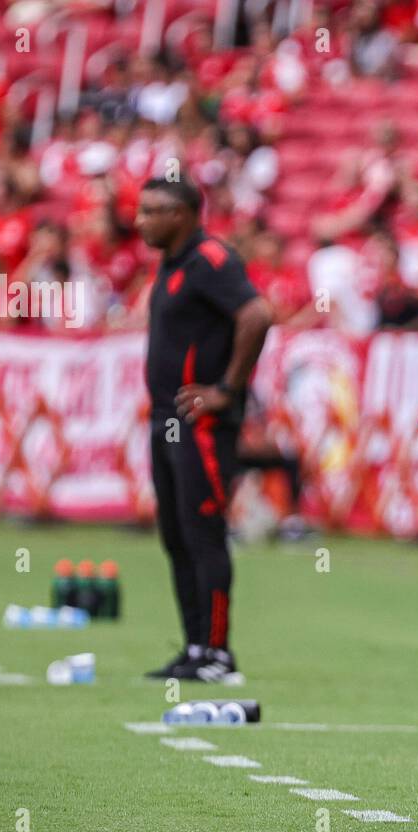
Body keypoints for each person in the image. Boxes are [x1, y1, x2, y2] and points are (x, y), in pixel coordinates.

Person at [134, 178, 271, 682]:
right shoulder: (171, 264)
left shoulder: (210, 259)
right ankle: (194, 646)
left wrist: (226, 390)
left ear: (184, 214)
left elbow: (257, 314)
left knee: (204, 533)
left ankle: (218, 653)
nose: (140, 220)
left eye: (153, 211)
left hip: (202, 424)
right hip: (166, 421)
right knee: (175, 535)